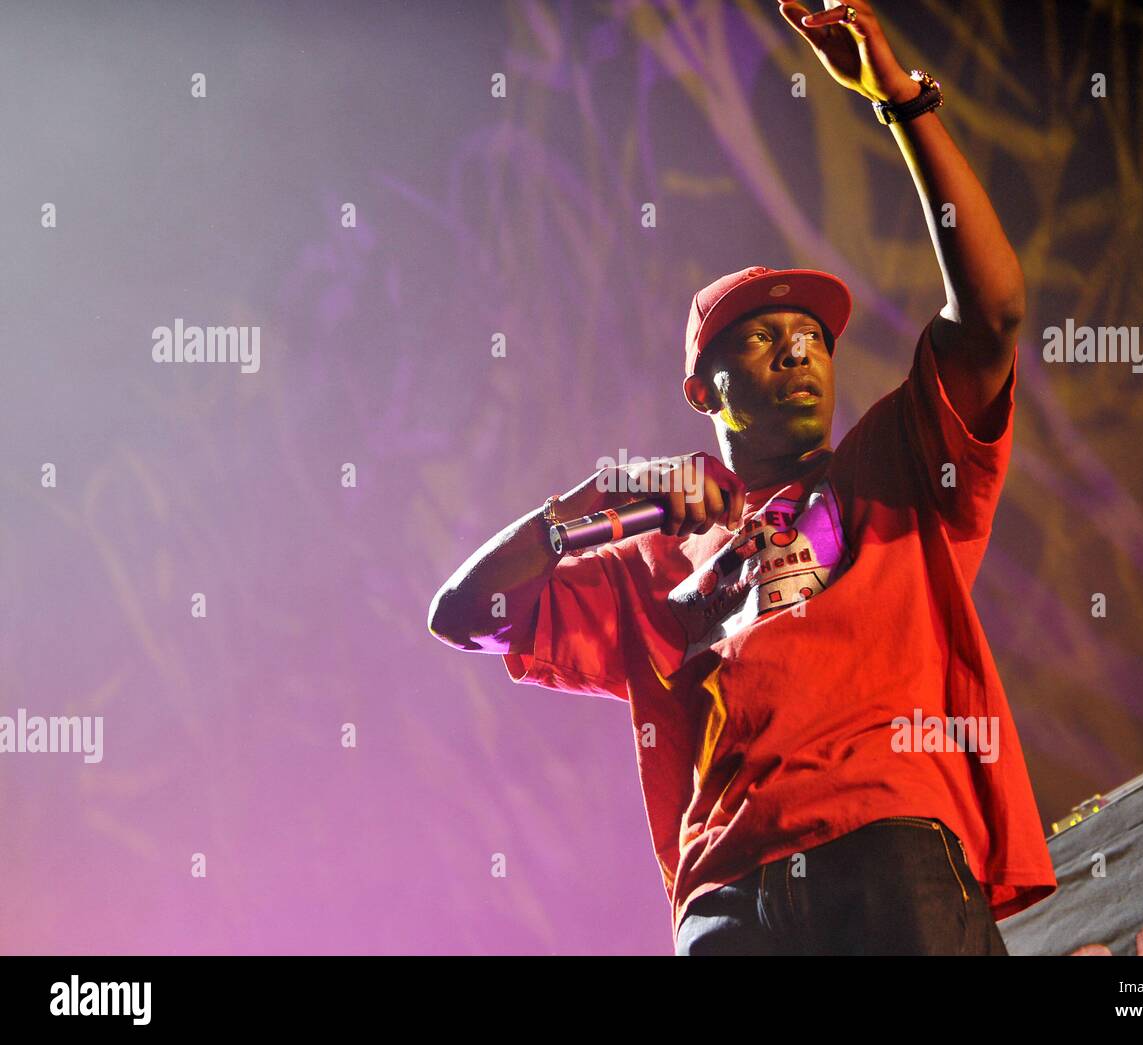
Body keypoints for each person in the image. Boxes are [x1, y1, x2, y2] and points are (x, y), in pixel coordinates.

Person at [428, 0, 1057, 954]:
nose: (797, 353)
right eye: (762, 339)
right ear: (702, 391)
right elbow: (464, 613)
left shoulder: (894, 468)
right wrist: (596, 501)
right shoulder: (648, 553)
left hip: (884, 841)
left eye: (811, 337)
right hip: (725, 898)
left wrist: (902, 104)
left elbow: (994, 311)